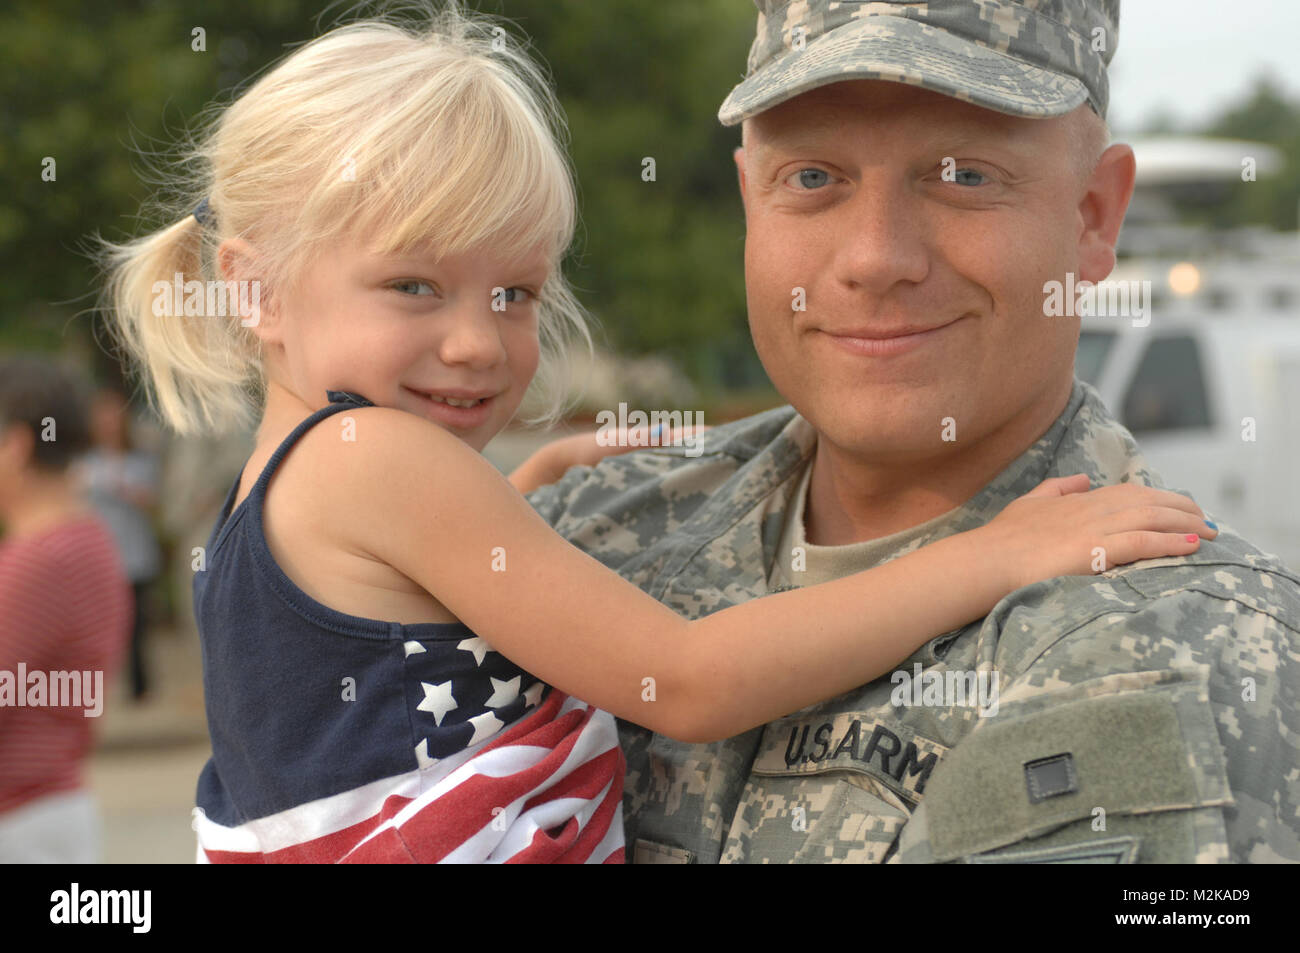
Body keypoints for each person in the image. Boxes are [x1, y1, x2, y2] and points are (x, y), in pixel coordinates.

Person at [97, 3, 1208, 864]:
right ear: (255, 290)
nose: (478, 344)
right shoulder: (375, 463)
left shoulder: (298, 479)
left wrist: (504, 507)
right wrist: (996, 553)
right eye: (413, 284)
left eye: (515, 294)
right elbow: (687, 680)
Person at [526, 0, 1300, 863]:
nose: (875, 257)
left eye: (964, 175)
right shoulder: (588, 531)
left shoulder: (1183, 651)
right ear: (753, 199)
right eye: (814, 178)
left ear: (1093, 217)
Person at [0, 354, 133, 863]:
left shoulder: (39, 559)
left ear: (14, 446)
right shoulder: (87, 540)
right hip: (49, 811)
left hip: (20, 822)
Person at [74, 384, 163, 701]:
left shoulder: (140, 458)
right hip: (100, 558)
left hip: (136, 555)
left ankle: (140, 690)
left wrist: (119, 485)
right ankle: (99, 690)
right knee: (101, 629)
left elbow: (151, 499)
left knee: (137, 627)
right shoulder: (84, 461)